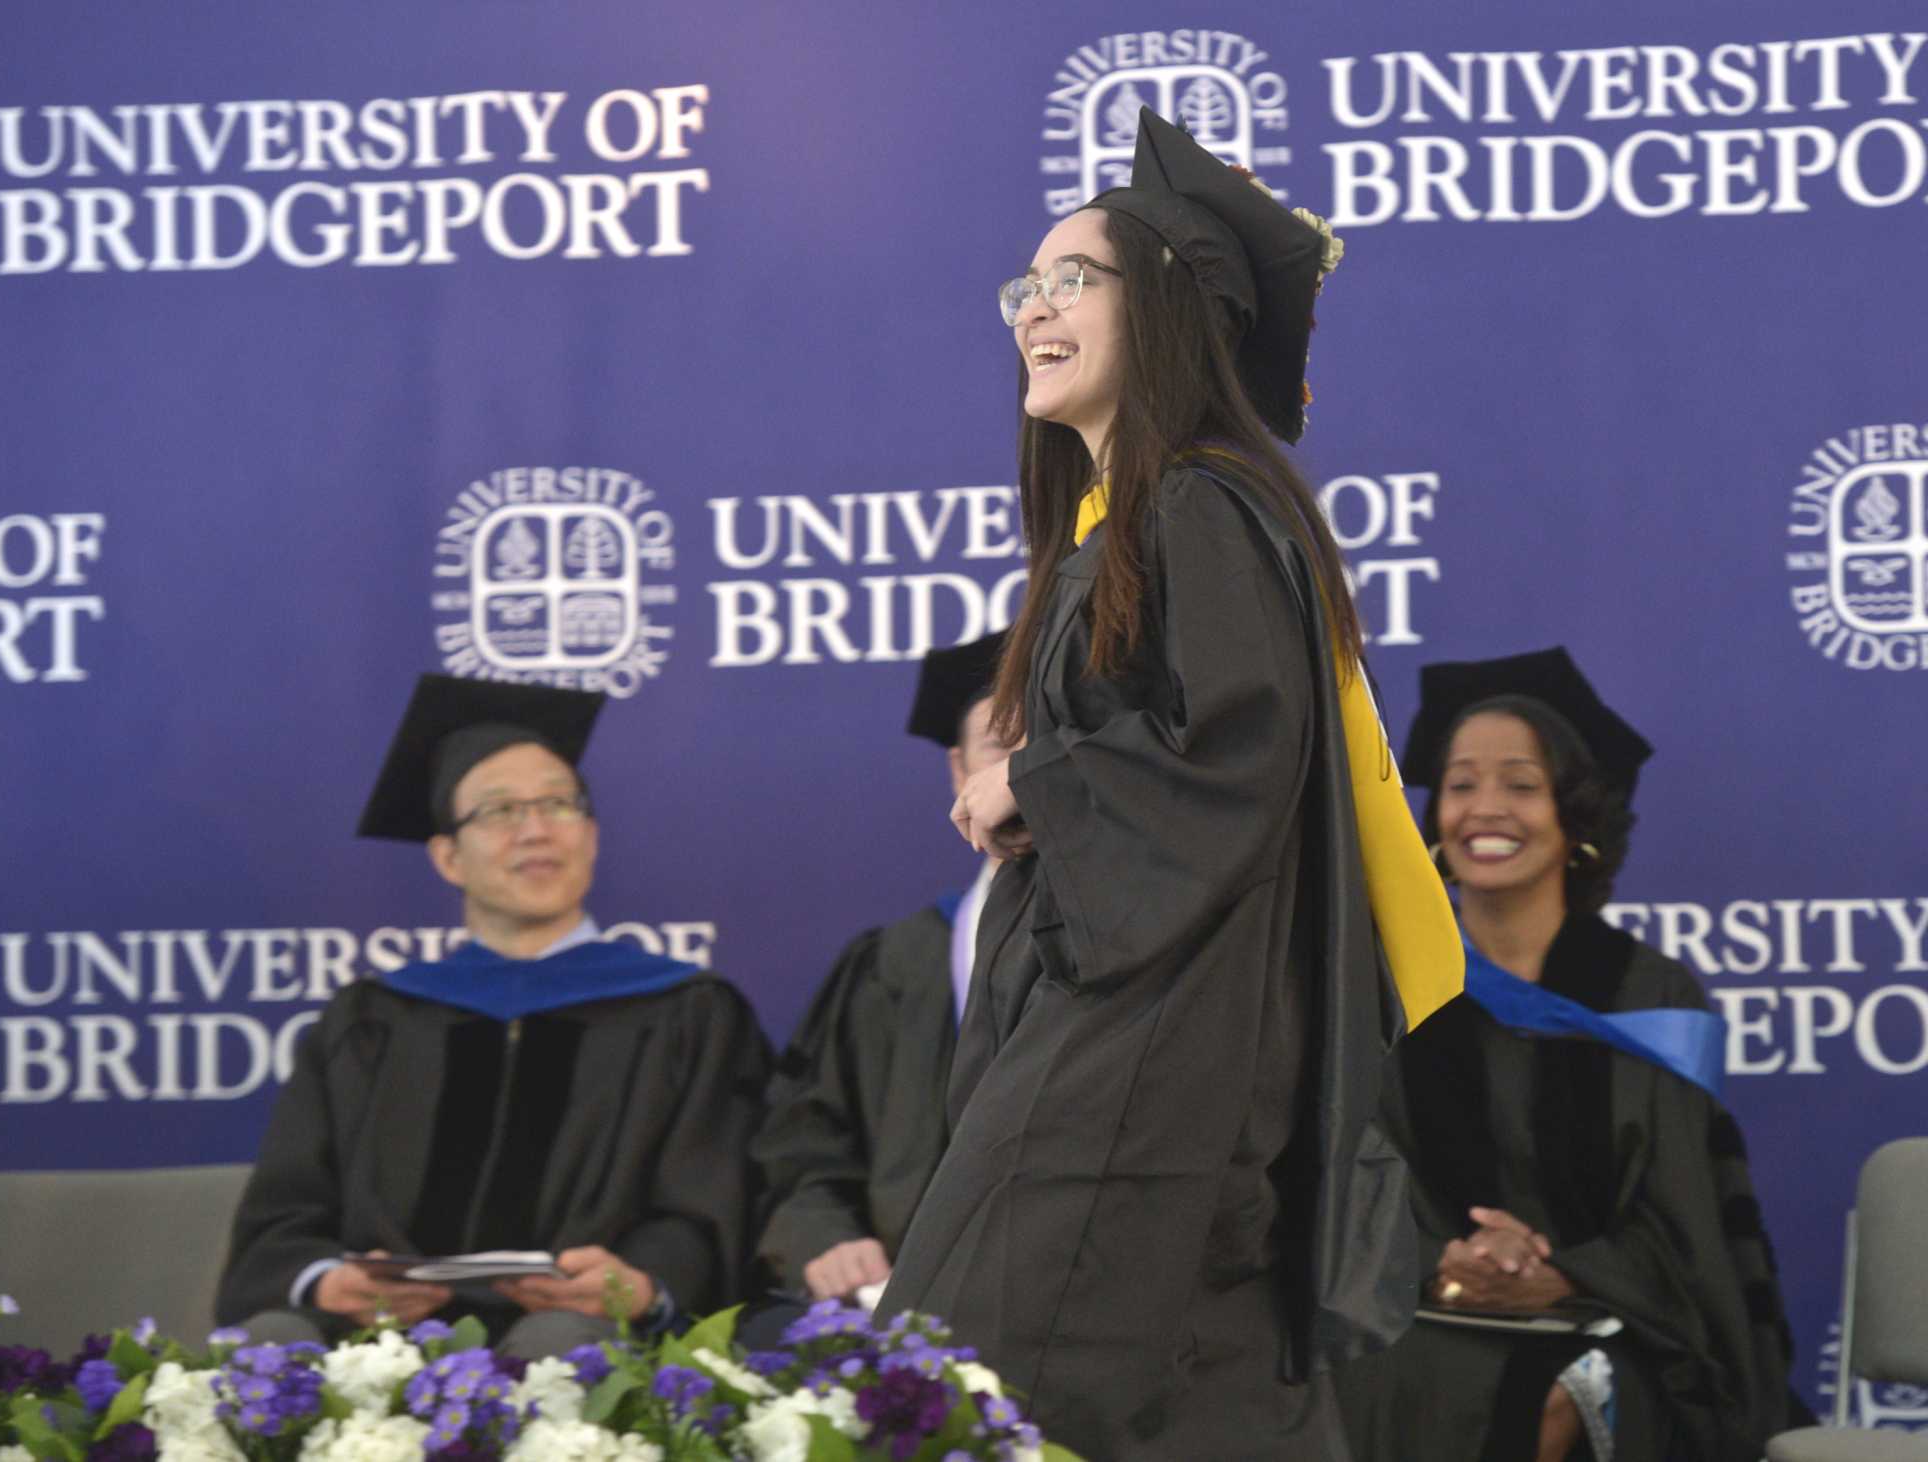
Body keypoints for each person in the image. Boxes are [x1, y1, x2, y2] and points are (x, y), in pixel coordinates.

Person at [875, 108, 1462, 1460]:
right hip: (1145, 1026)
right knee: (1193, 1392)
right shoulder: (1130, 524)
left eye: (1075, 277)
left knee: (959, 1384)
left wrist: (1036, 777)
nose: (1037, 308)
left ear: (1174, 311)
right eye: (1027, 285)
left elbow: (1234, 752)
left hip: (1152, 1037)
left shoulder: (1199, 503)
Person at [216, 674, 772, 1358]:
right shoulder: (372, 1020)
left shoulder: (687, 1013)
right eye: (500, 811)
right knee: (267, 1347)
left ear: (591, 835)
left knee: (558, 1346)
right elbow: (288, 1208)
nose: (535, 830)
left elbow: (707, 1201)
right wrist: (325, 1281)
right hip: (374, 1339)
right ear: (449, 856)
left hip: (581, 1336)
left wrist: (642, 1282)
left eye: (559, 805)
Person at [1336, 647, 1799, 1461]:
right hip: (1419, 1311)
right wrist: (1451, 1258)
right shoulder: (1393, 983)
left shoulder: (1648, 997)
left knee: (1552, 1395)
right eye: (1460, 783)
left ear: (1575, 813)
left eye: (1522, 784)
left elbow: (1686, 1218)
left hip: (1618, 1323)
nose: (1486, 809)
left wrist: (1571, 1272)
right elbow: (1357, 1165)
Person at [751, 630, 1013, 1305]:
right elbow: (809, 1146)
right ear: (959, 773)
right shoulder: (897, 964)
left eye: (1048, 740)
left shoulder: (1149, 948)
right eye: (999, 744)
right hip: (903, 1319)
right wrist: (823, 1235)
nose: (1024, 770)